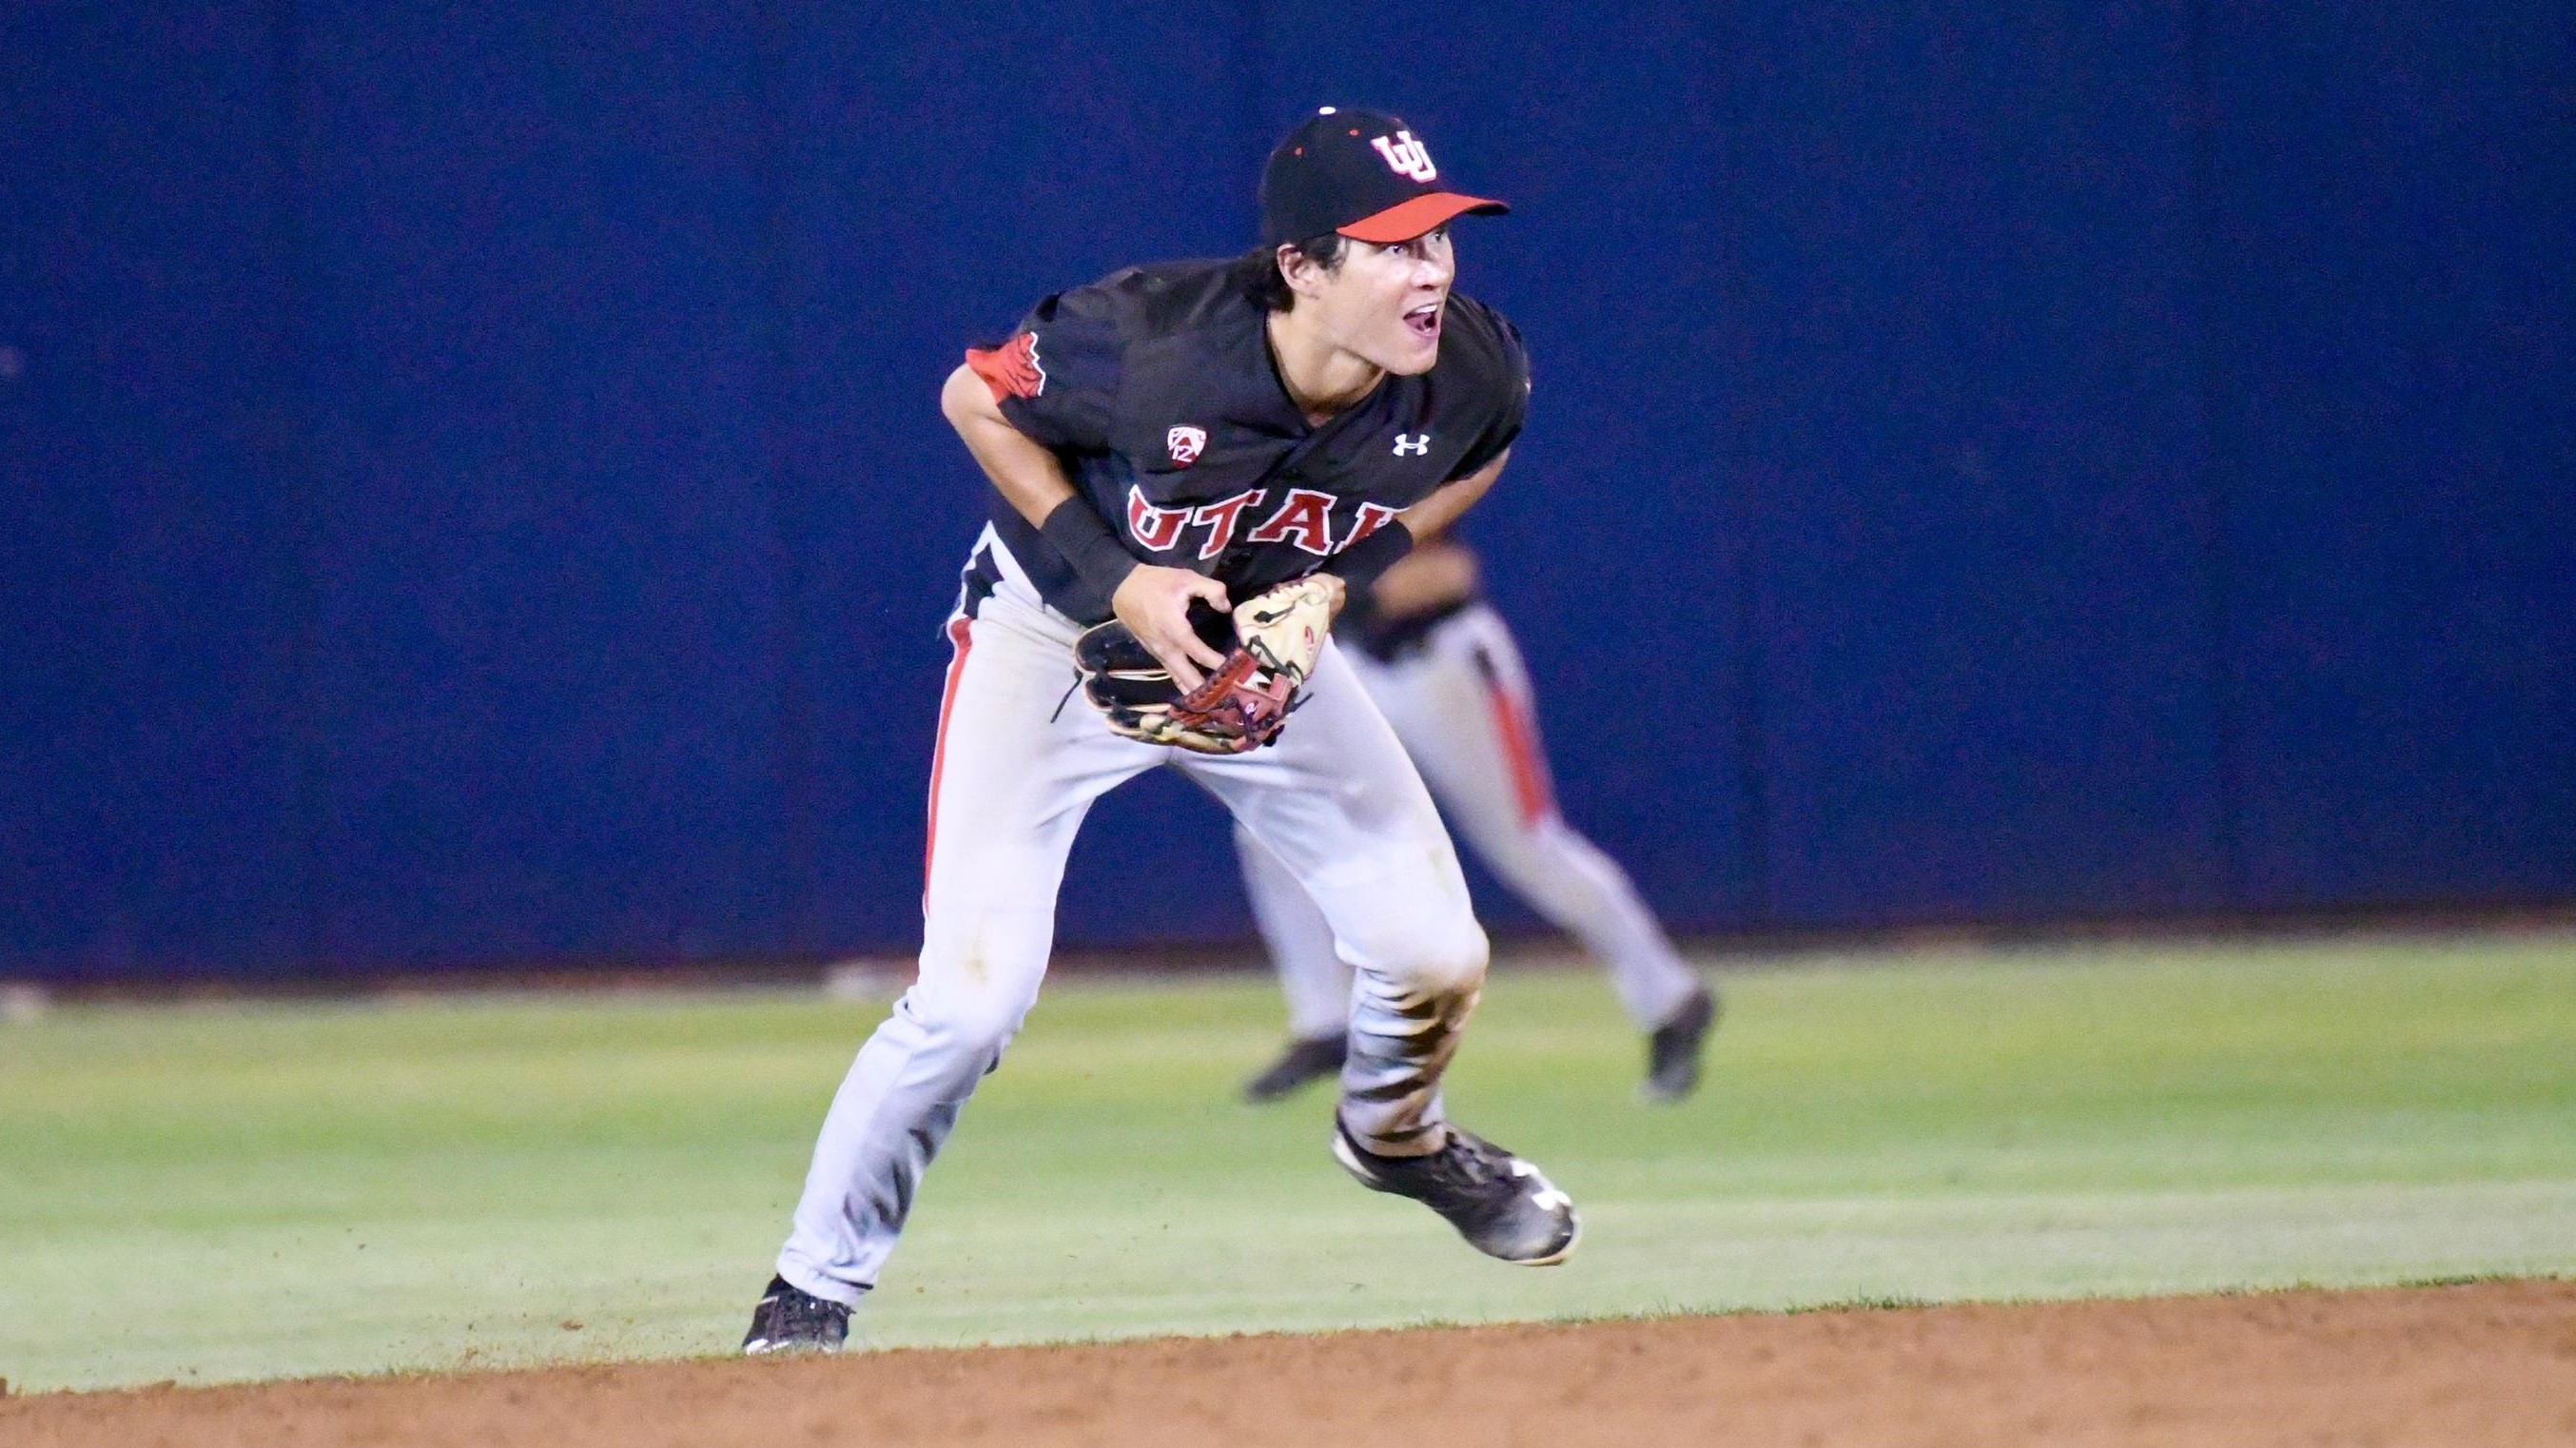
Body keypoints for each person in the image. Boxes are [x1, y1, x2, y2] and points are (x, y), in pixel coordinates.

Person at [743, 108, 1577, 1355]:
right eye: (1395, 246)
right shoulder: (1155, 342)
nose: (1433, 271)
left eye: (1442, 238)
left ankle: (1396, 1137)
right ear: (1302, 265)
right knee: (968, 1001)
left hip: (1253, 651)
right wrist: (1116, 572)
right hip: (1060, 639)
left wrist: (1352, 566)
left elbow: (1480, 449)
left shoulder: (1468, 367)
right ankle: (809, 1291)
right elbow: (974, 398)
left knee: (1436, 951)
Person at [1235, 537, 1719, 1105]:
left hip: (1442, 658)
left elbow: (1446, 569)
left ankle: (1670, 999)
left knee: (1527, 848)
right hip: (1357, 664)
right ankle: (1324, 1023)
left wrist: (1332, 590)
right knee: (1272, 830)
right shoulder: (1284, 465)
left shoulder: (1392, 452)